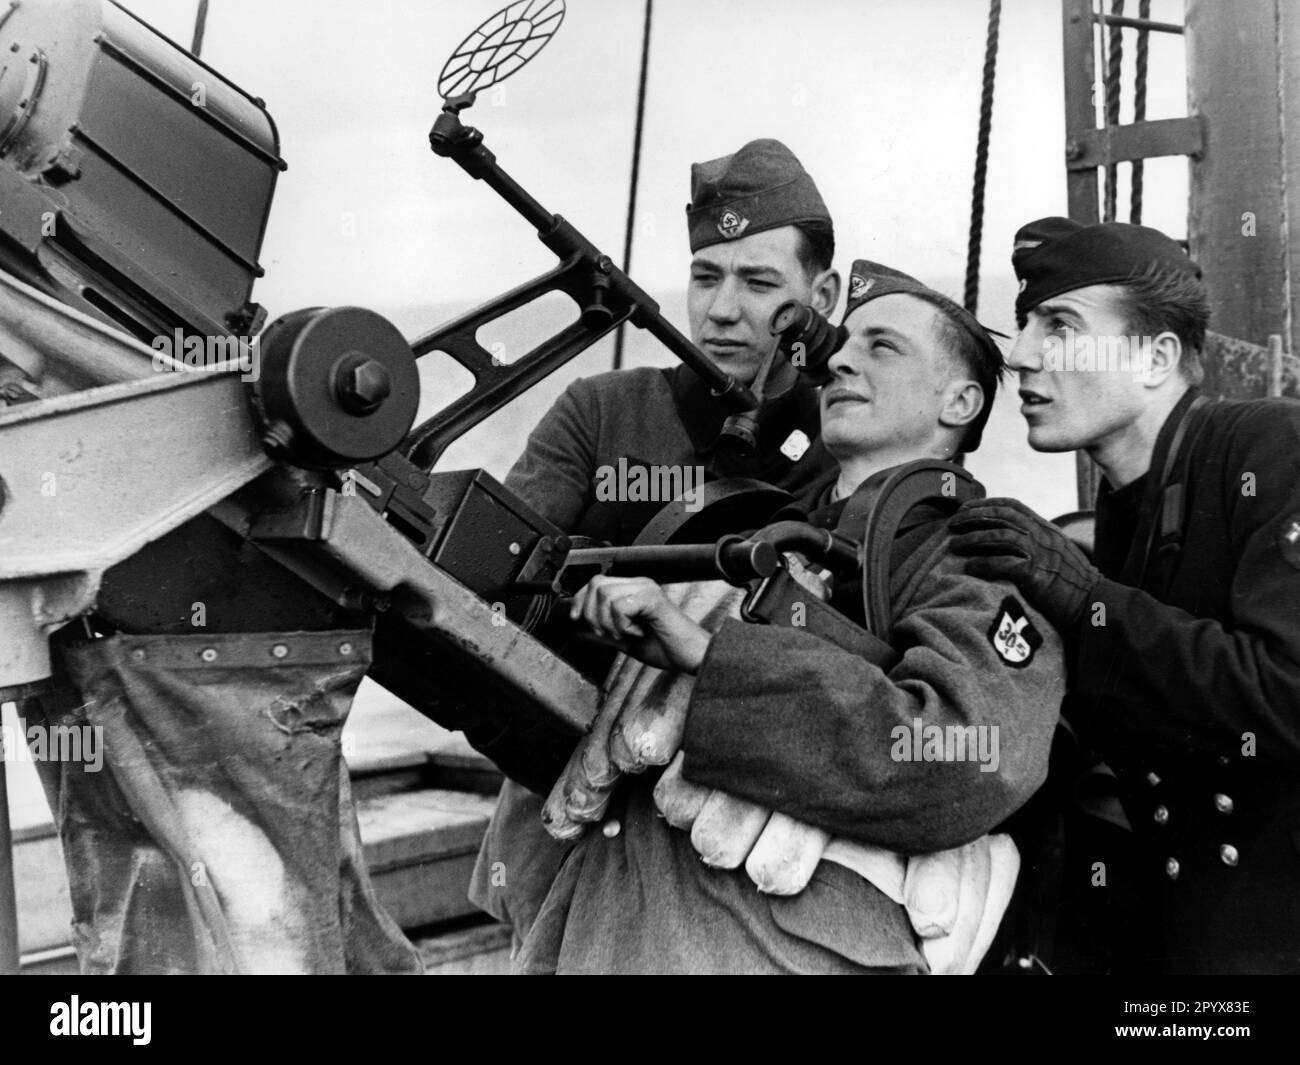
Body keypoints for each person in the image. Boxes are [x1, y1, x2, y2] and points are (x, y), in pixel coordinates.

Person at [512, 260, 1062, 974]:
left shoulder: (971, 557)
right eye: (844, 344)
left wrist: (711, 662)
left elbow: (973, 753)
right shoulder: (777, 537)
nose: (839, 360)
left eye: (882, 347)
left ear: (959, 402)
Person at [467, 138, 843, 949]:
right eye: (707, 276)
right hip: (567, 800)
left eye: (759, 283)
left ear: (824, 296)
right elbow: (492, 582)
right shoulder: (599, 411)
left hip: (732, 825)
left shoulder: (848, 438)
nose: (720, 309)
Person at [949, 216, 1300, 974]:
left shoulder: (1273, 447)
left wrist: (1089, 601)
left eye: (1061, 327)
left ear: (1155, 356)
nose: (1022, 356)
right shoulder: (1127, 506)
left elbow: (1288, 692)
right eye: (1024, 326)